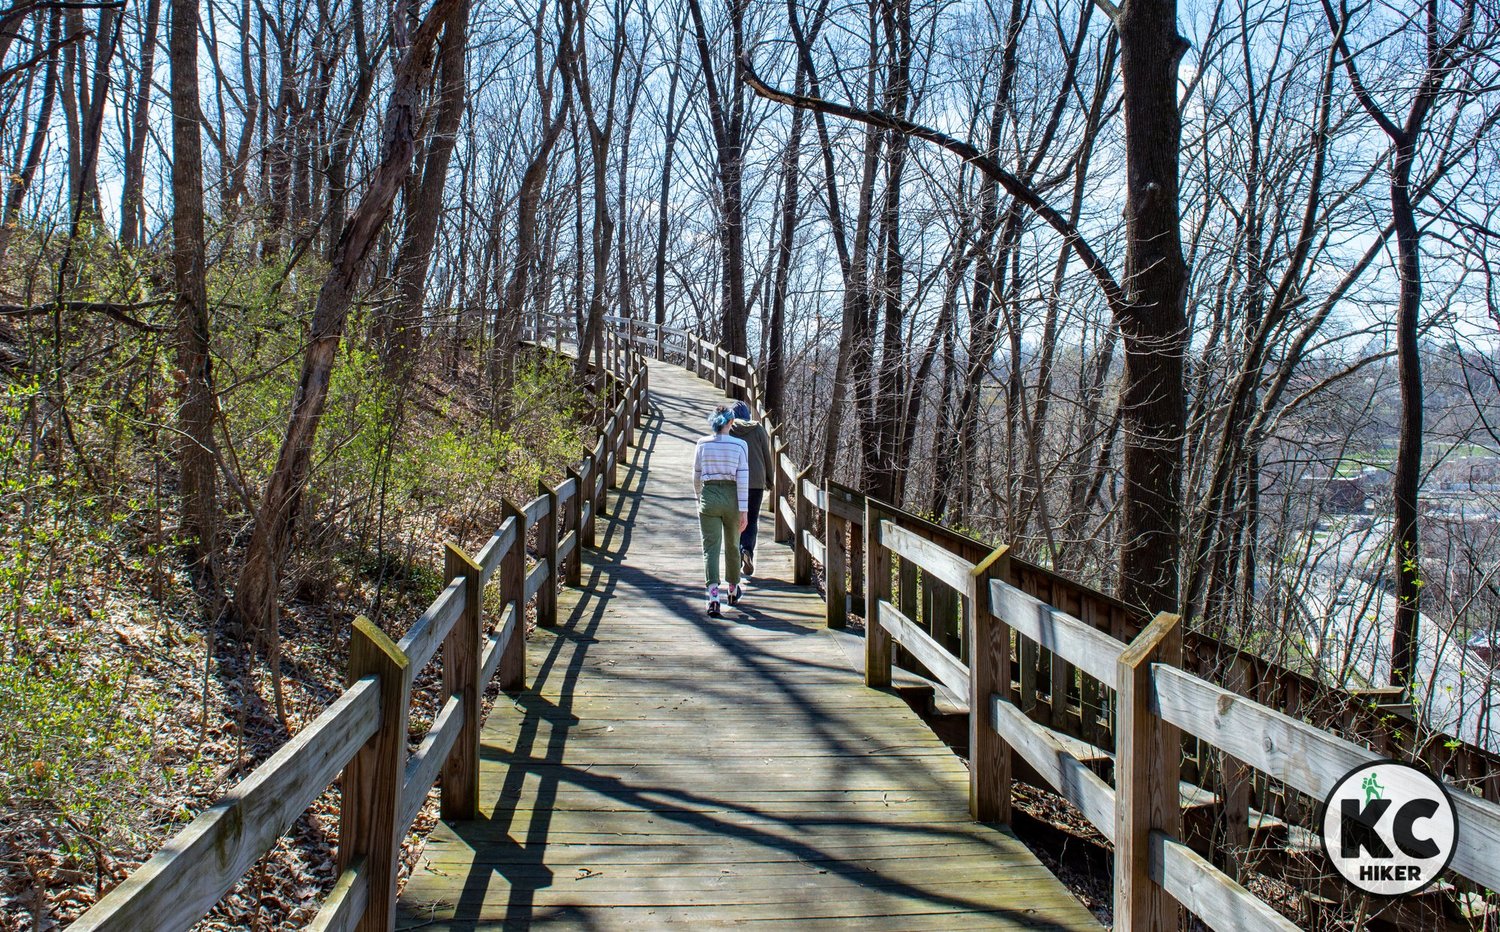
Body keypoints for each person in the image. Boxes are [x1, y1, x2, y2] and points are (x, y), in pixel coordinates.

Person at [693, 404, 749, 616]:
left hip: (709, 496)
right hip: (732, 497)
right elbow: (743, 479)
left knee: (711, 548)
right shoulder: (740, 445)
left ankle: (713, 597)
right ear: (731, 423)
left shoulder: (702, 444)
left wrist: (700, 497)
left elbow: (696, 475)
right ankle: (733, 590)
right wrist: (744, 510)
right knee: (733, 545)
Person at [728, 400, 773, 577]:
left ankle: (737, 555)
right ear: (747, 415)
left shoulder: (728, 429)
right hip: (755, 481)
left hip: (735, 481)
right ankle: (747, 550)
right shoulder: (758, 429)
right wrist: (770, 479)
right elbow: (766, 456)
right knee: (752, 519)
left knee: (736, 519)